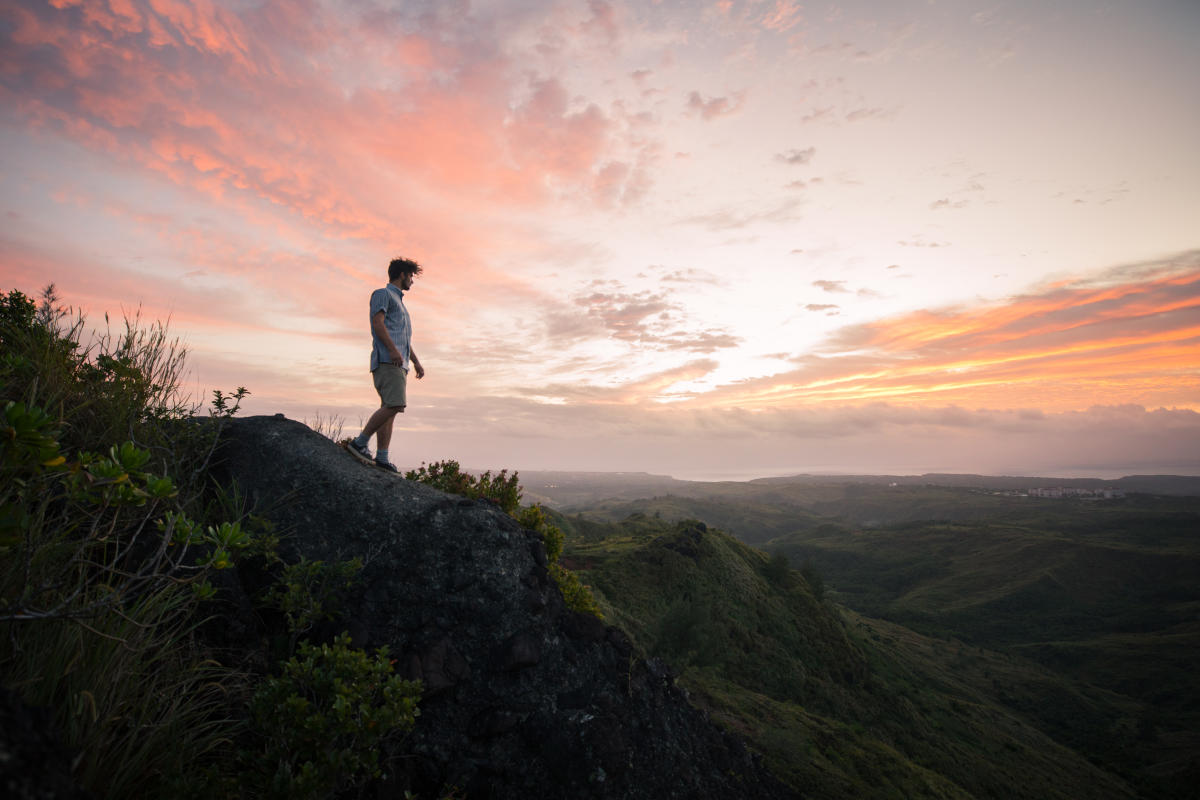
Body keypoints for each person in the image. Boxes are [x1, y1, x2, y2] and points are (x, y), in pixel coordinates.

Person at [346, 257, 425, 471]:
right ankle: (359, 443)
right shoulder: (383, 294)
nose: (412, 281)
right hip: (387, 361)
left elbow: (404, 339)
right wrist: (392, 350)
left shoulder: (400, 303)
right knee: (395, 405)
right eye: (410, 276)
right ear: (402, 275)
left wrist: (416, 362)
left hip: (399, 364)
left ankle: (382, 457)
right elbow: (377, 323)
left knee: (389, 408)